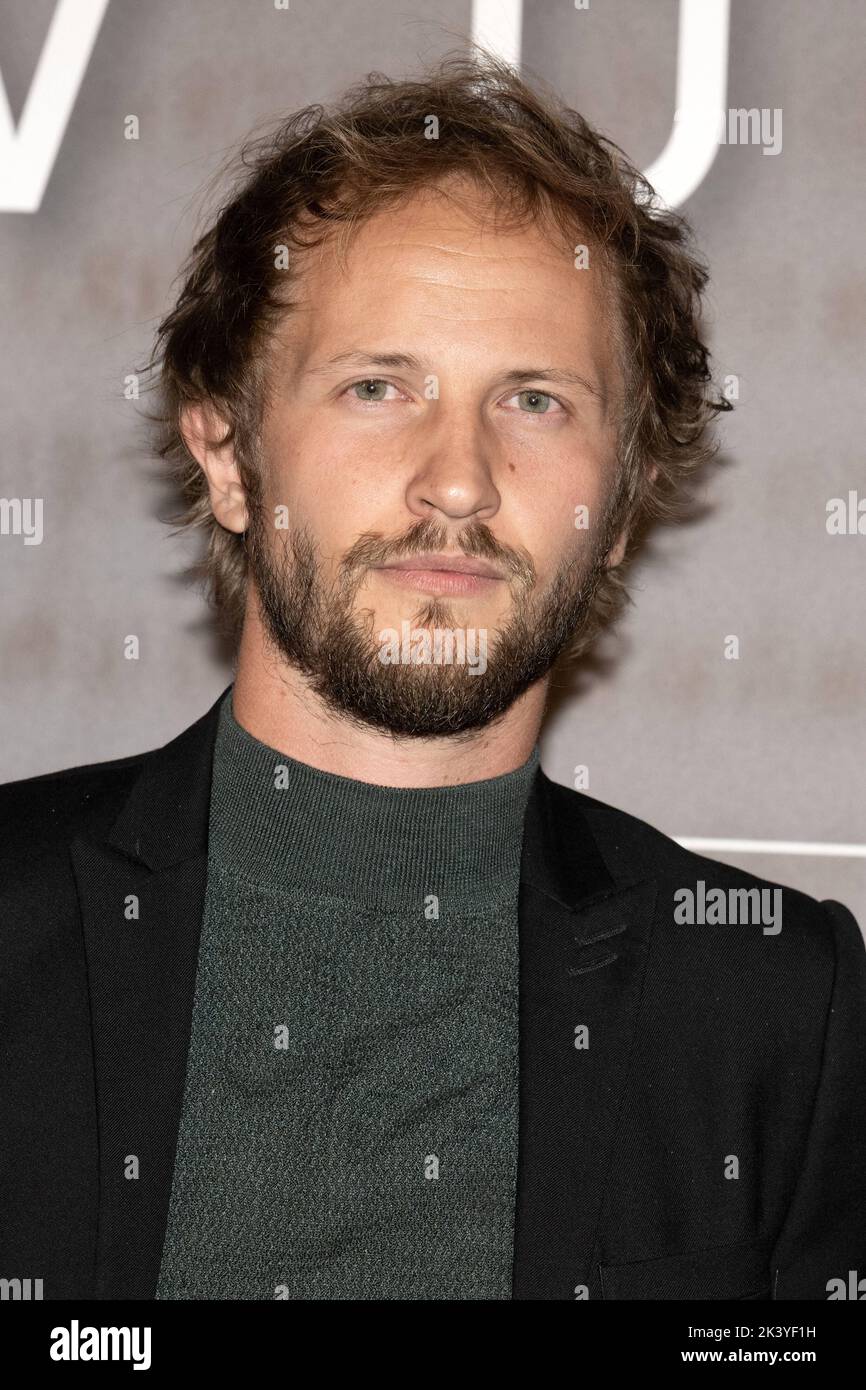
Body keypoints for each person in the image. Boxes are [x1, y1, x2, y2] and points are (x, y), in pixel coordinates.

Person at [1, 54, 863, 1302]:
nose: (456, 479)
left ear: (620, 505)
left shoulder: (770, 1003)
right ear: (228, 459)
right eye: (377, 387)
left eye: (533, 401)